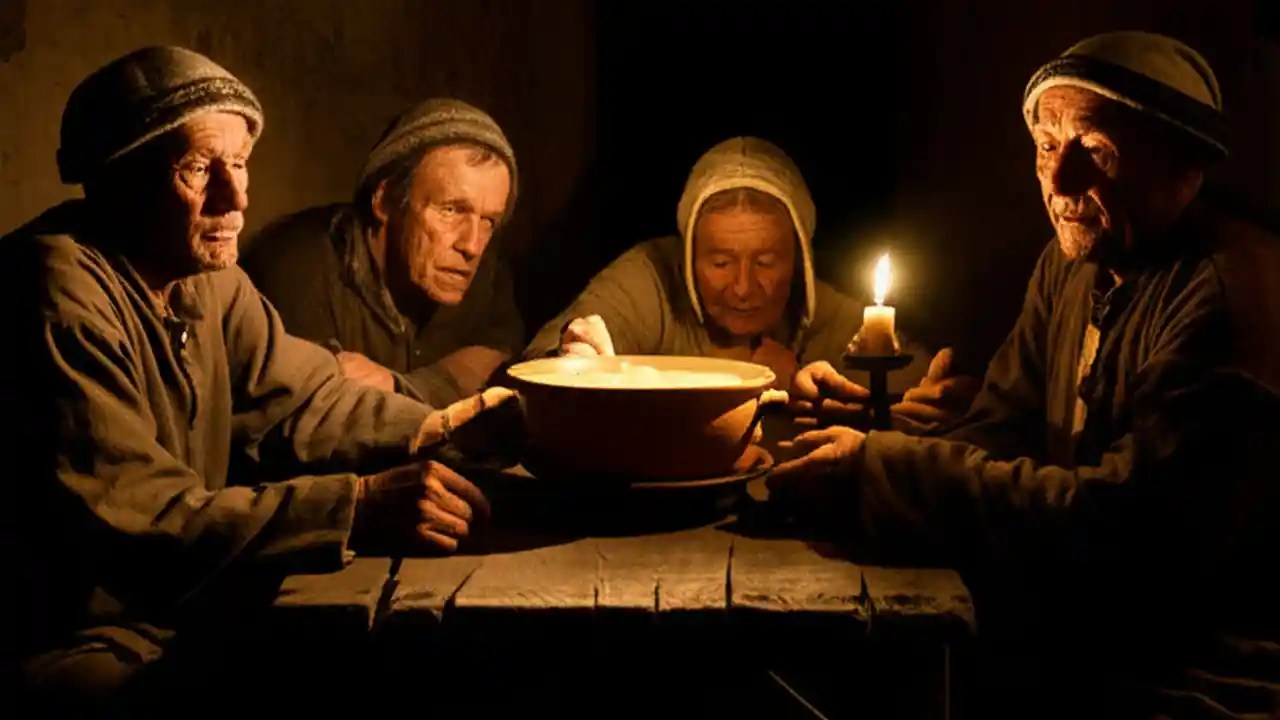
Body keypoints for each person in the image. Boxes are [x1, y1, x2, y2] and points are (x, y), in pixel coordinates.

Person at [771, 32, 1280, 717]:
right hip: (1088, 638)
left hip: (1201, 676)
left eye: (1095, 151)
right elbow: (1007, 426)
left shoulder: (1228, 299)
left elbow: (1124, 527)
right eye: (1046, 145)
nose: (1060, 181)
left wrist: (884, 468)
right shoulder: (1072, 265)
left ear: (1187, 164)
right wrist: (882, 428)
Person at [0, 46, 517, 717]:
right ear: (117, 179)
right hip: (72, 641)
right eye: (196, 169)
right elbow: (144, 518)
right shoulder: (57, 291)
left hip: (181, 615)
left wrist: (445, 426)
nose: (236, 196)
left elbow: (308, 399)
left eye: (240, 165)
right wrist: (355, 506)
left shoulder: (211, 281)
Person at [524, 136, 977, 433]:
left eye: (766, 261)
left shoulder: (825, 315)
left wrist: (945, 407)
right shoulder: (648, 279)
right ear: (688, 256)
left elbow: (933, 388)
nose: (743, 288)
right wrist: (581, 359)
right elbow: (538, 366)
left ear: (798, 259)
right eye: (720, 262)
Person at [241, 98, 523, 406]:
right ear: (386, 201)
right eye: (451, 210)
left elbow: (502, 358)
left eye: (489, 221)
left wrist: (402, 387)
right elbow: (314, 417)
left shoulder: (485, 270)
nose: (472, 245)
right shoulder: (297, 267)